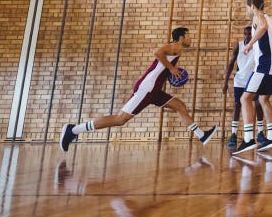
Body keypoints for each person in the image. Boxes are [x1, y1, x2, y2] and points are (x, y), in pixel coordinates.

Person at [59, 27, 216, 152]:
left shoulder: (176, 50)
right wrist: (172, 69)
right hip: (147, 89)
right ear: (181, 37)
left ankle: (201, 135)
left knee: (180, 106)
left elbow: (162, 64)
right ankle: (73, 130)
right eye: (188, 35)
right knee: (120, 120)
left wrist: (172, 69)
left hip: (154, 91)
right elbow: (157, 53)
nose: (190, 38)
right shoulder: (175, 46)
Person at [233, 0, 272, 154]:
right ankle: (271, 136)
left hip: (267, 64)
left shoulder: (259, 17)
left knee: (245, 98)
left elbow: (263, 26)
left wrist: (250, 45)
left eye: (247, 7)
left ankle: (248, 139)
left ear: (252, 6)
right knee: (263, 98)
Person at [223, 26, 267, 148]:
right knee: (237, 105)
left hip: (253, 79)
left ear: (253, 35)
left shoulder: (258, 46)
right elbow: (231, 63)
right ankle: (233, 134)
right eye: (245, 34)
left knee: (258, 104)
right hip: (240, 81)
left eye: (249, 34)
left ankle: (260, 133)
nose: (247, 36)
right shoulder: (239, 46)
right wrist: (225, 82)